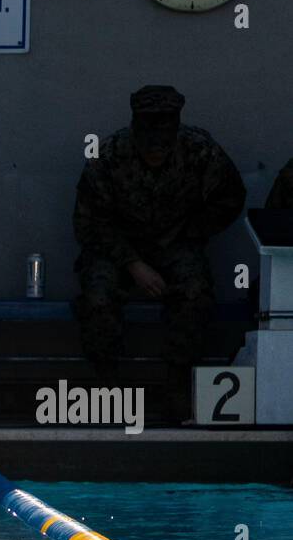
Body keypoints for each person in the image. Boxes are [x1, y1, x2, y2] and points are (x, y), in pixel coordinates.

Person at [73, 85, 246, 422]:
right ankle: (108, 387)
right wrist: (133, 263)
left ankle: (177, 385)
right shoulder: (108, 156)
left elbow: (230, 197)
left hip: (176, 242)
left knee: (195, 290)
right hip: (119, 247)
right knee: (97, 294)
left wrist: (189, 232)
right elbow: (88, 222)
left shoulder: (200, 151)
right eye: (149, 145)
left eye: (162, 147)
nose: (156, 153)